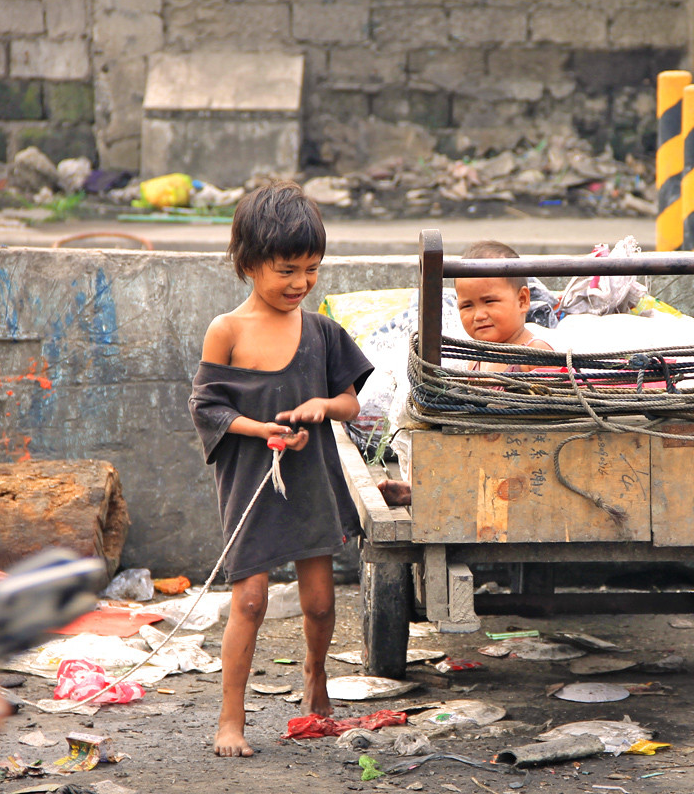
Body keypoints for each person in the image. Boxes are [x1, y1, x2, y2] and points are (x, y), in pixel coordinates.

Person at [189, 181, 373, 758]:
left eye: (312, 270)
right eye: (287, 270)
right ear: (248, 264)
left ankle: (316, 680)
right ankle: (230, 720)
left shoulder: (320, 331)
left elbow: (349, 404)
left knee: (320, 601)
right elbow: (207, 407)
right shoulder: (228, 330)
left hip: (312, 479)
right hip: (251, 483)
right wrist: (259, 428)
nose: (300, 284)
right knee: (249, 602)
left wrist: (322, 406)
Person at [376, 239, 550, 507]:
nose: (479, 315)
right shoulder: (475, 363)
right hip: (485, 454)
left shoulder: (533, 353)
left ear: (522, 300)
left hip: (529, 459)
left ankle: (428, 489)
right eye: (467, 306)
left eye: (489, 301)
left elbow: (558, 416)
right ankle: (424, 487)